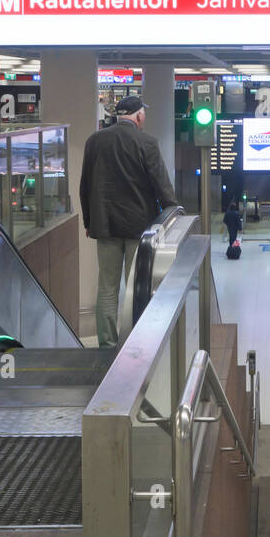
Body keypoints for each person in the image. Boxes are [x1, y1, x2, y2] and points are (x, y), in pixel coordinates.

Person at [79, 95, 178, 349]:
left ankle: (108, 344)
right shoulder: (147, 143)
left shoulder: (94, 141)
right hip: (138, 227)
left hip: (105, 226)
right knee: (135, 287)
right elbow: (161, 185)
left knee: (107, 287)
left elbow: (85, 186)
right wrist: (173, 212)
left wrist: (89, 221)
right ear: (138, 116)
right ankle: (136, 342)